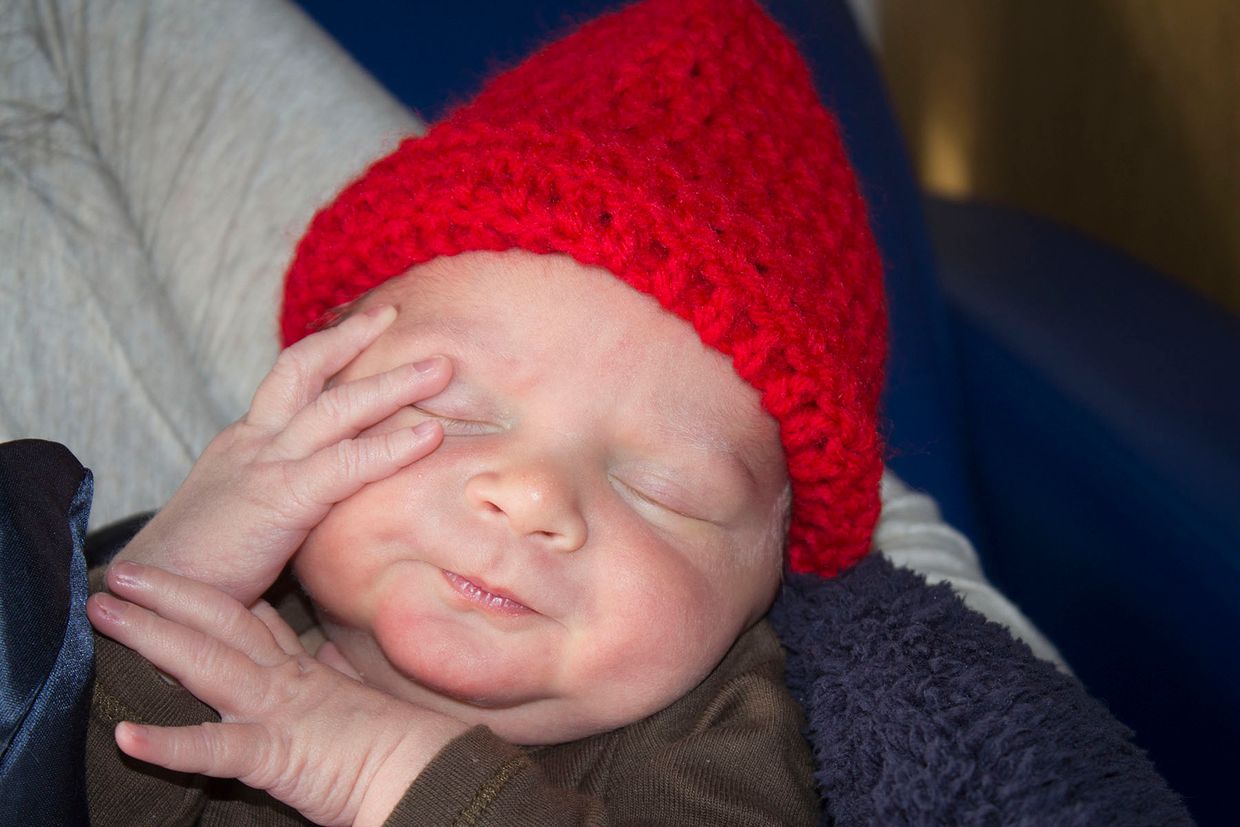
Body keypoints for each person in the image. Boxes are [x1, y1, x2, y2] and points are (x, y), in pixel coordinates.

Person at [83, 0, 884, 823]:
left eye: (663, 488)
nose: (531, 494)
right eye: (453, 411)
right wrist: (151, 613)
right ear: (314, 399)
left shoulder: (715, 742)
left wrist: (396, 776)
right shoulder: (214, 576)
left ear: (769, 578)